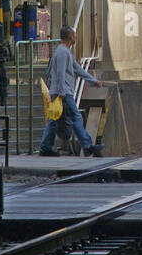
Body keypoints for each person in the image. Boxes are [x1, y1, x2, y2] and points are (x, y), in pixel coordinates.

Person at [39, 26, 105, 157]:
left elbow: (78, 69)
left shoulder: (65, 52)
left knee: (54, 120)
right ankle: (87, 146)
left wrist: (93, 81)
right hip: (63, 92)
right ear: (70, 36)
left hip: (61, 91)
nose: (75, 37)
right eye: (74, 35)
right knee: (75, 117)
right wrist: (62, 91)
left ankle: (45, 147)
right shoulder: (63, 52)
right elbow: (60, 73)